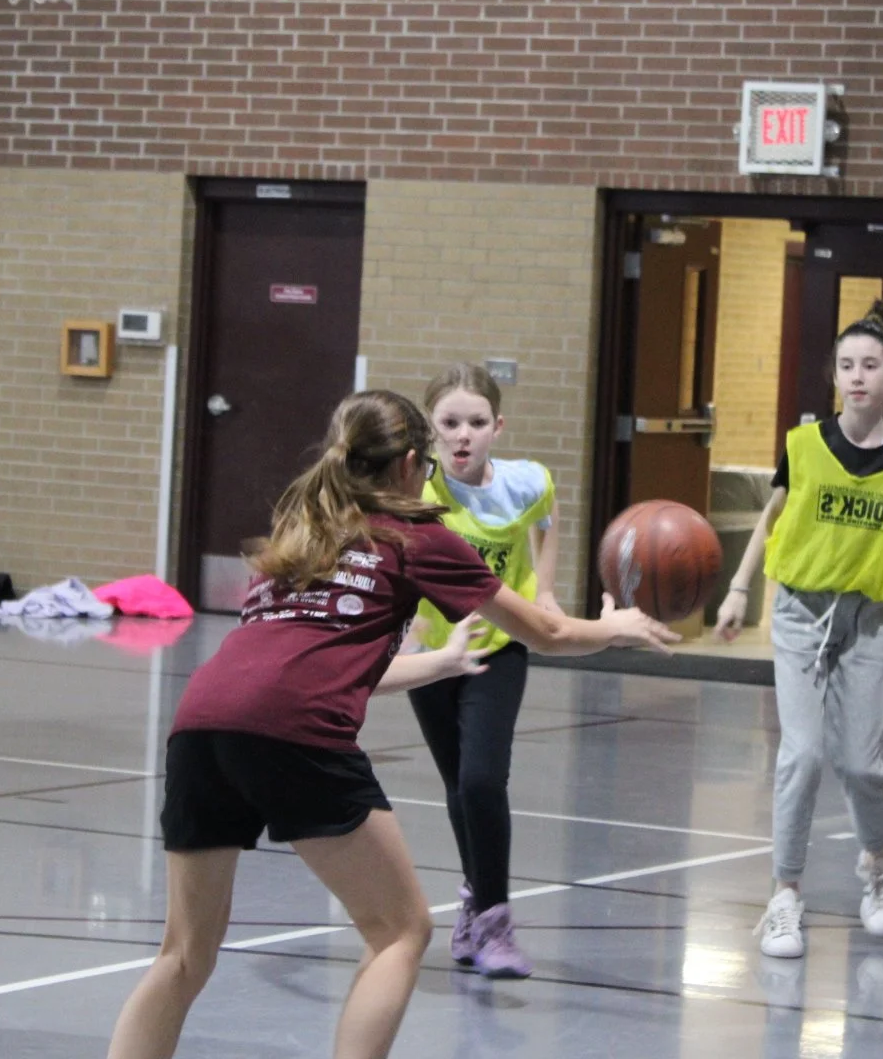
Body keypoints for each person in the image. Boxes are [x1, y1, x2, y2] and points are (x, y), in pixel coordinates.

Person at [105, 390, 678, 1059]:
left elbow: (306, 664)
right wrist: (614, 628)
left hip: (201, 721)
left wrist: (439, 663)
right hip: (294, 734)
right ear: (411, 464)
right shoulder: (419, 537)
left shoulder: (302, 531)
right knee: (400, 931)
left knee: (182, 954)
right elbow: (546, 631)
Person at [711, 300, 883, 958]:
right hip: (801, 611)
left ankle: (879, 866)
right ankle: (785, 896)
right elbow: (771, 518)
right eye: (846, 365)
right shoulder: (803, 447)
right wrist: (739, 591)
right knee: (800, 754)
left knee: (862, 764)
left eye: (870, 365)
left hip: (867, 619)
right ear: (835, 376)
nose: (857, 375)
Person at [405, 363, 559, 978]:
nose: (462, 435)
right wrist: (409, 630)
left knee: (481, 780)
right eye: (449, 423)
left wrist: (543, 594)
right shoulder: (415, 493)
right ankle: (473, 903)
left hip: (499, 646)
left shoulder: (526, 482)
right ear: (430, 431)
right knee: (456, 786)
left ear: (498, 426)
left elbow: (548, 522)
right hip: (434, 655)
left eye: (476, 422)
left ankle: (495, 922)